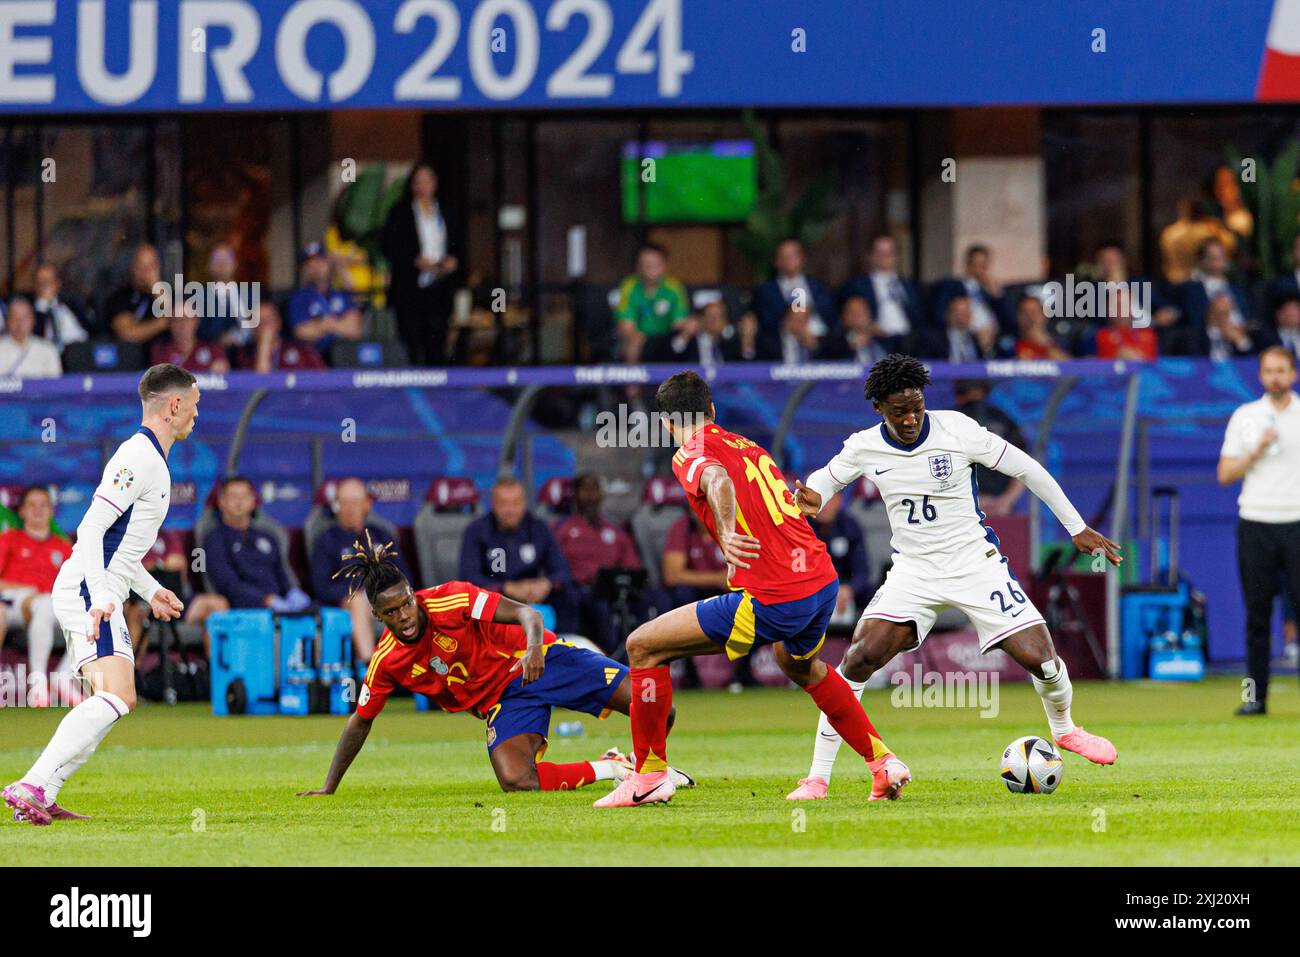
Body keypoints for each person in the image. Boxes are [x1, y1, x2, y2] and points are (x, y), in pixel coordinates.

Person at [785, 354, 1121, 800]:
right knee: (858, 659)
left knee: (1041, 658)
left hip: (975, 564)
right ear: (879, 410)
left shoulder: (958, 430)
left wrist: (1076, 526)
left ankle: (1065, 729)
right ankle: (818, 778)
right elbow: (823, 483)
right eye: (898, 412)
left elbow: (1027, 468)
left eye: (916, 408)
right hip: (914, 571)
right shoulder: (863, 446)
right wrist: (809, 497)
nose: (910, 419)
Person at [592, 371, 904, 809]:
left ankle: (648, 776)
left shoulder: (690, 451)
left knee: (642, 646)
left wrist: (724, 529)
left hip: (775, 596)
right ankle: (882, 763)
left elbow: (715, 480)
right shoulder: (749, 445)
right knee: (799, 666)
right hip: (820, 584)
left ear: (666, 423)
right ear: (712, 410)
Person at [296, 535, 693, 796]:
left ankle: (650, 772)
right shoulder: (386, 660)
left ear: (414, 595)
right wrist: (330, 787)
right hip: (501, 698)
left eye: (406, 603)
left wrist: (535, 649)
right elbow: (360, 721)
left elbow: (529, 616)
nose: (403, 615)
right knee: (517, 781)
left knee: (659, 706)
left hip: (543, 660)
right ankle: (611, 768)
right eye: (391, 611)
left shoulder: (453, 599)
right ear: (378, 616)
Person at [3, 364, 195, 826]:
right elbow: (90, 529)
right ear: (173, 405)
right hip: (91, 587)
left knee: (116, 697)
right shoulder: (138, 456)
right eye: (194, 403)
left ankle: (43, 793)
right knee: (116, 693)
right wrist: (102, 597)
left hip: (100, 583)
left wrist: (150, 591)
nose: (195, 412)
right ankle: (31, 783)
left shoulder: (153, 458)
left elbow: (120, 550)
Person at [1216, 346, 1300, 717]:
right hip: (1256, 522)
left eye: (1282, 370)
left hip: (1297, 521)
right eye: (1269, 371)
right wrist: (1255, 450)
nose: (1275, 377)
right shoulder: (1246, 417)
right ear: (1261, 376)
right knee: (1256, 616)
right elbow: (1224, 474)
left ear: (1293, 374)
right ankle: (1254, 697)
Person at [458, 477, 577, 633]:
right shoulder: (476, 531)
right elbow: (469, 577)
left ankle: (566, 645)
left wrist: (546, 583)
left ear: (524, 503)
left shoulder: (538, 528)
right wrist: (507, 588)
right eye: (504, 504)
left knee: (571, 595)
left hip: (534, 596)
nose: (510, 510)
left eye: (515, 503)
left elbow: (562, 570)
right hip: (496, 599)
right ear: (493, 504)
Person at [310, 478, 412, 660]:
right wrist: (358, 590)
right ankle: (369, 665)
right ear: (336, 505)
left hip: (385, 598)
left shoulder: (381, 534)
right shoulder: (326, 540)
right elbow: (321, 586)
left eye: (355, 502)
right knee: (358, 601)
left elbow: (404, 575)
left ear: (367, 504)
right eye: (344, 502)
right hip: (349, 601)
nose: (350, 508)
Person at [552, 474, 643, 655]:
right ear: (575, 495)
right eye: (585, 490)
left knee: (650, 599)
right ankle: (578, 657)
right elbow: (554, 567)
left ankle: (638, 658)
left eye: (594, 490)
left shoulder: (615, 532)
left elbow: (632, 568)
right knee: (586, 600)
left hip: (612, 591)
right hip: (574, 591)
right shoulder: (562, 530)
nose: (590, 496)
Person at [380, 162, 459, 366]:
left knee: (437, 345)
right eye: (418, 181)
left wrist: (451, 260)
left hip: (439, 288)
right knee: (411, 345)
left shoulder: (447, 211)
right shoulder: (400, 212)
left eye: (427, 180)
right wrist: (414, 260)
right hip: (410, 289)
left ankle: (437, 394)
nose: (423, 186)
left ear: (435, 183)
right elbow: (389, 246)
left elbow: (458, 244)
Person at [0, 487, 73, 707]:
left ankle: (63, 677)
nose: (38, 510)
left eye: (43, 505)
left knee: (91, 617)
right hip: (14, 602)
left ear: (51, 511)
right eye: (31, 505)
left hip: (52, 606)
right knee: (42, 603)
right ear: (21, 511)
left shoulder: (63, 546)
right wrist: (26, 589)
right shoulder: (10, 539)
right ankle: (38, 684)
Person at [202, 476, 310, 614]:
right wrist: (265, 600)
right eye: (233, 496)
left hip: (281, 609)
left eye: (245, 496)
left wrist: (292, 592)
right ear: (221, 502)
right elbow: (227, 584)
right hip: (243, 610)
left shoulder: (268, 536)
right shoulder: (214, 539)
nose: (239, 502)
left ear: (253, 501)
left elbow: (282, 573)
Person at [954, 379, 1029, 516]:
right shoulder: (1003, 418)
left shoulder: (946, 420)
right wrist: (1005, 501)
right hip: (983, 507)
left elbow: (1024, 464)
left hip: (965, 509)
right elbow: (1025, 465)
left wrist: (1005, 500)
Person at [752, 239, 836, 356]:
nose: (789, 260)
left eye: (793, 255)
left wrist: (815, 339)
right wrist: (793, 328)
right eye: (784, 256)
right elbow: (765, 324)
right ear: (776, 261)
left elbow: (832, 319)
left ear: (802, 259)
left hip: (820, 345)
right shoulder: (765, 291)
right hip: (783, 345)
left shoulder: (819, 287)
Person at [613, 243, 690, 364]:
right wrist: (637, 336)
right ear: (638, 266)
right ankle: (633, 382)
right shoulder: (629, 286)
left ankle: (683, 382)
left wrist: (689, 327)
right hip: (639, 338)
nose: (650, 268)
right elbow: (626, 326)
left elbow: (679, 323)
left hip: (666, 338)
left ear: (664, 266)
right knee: (634, 341)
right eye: (646, 264)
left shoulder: (674, 288)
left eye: (655, 264)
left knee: (690, 330)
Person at [841, 234, 926, 340]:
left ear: (897, 256)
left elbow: (921, 317)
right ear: (870, 255)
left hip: (910, 340)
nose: (884, 257)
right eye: (879, 253)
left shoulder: (910, 285)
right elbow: (850, 315)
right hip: (876, 337)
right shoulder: (857, 285)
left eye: (890, 253)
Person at [286, 242, 364, 357]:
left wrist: (325, 324)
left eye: (320, 261)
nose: (316, 267)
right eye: (310, 264)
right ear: (305, 269)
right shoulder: (299, 297)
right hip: (314, 359)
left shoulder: (341, 294)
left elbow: (354, 330)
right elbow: (302, 332)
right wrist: (339, 324)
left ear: (328, 263)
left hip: (346, 357)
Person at [933, 244, 1010, 339]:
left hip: (993, 337)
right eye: (975, 265)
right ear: (967, 264)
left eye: (983, 266)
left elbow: (1009, 321)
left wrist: (997, 295)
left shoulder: (990, 292)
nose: (979, 271)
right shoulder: (951, 286)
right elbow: (940, 316)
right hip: (965, 336)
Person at [105, 244, 169, 346]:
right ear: (133, 267)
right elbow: (126, 333)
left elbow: (177, 320)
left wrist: (156, 287)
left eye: (151, 266)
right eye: (141, 266)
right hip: (132, 358)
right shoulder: (120, 297)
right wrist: (163, 323)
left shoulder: (169, 295)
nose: (146, 272)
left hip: (164, 358)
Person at [237, 301, 326, 372]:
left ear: (278, 322)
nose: (265, 325)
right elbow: (257, 387)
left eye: (269, 320)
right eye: (259, 321)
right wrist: (264, 347)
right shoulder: (244, 355)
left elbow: (323, 381)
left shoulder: (302, 350)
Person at [149, 302, 231, 373]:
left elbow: (225, 381)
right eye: (177, 320)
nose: (182, 325)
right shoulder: (160, 350)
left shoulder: (213, 351)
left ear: (196, 321)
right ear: (170, 324)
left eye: (187, 319)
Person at [31, 263, 90, 349]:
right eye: (41, 281)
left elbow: (91, 331)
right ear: (35, 285)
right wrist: (43, 304)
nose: (45, 284)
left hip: (78, 354)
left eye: (49, 280)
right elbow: (35, 339)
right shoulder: (29, 312)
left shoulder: (71, 305)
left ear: (58, 283)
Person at [0, 296, 62, 378]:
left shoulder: (48, 349)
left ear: (33, 320)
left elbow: (56, 385)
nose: (19, 323)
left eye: (24, 318)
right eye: (14, 318)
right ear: (7, 321)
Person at [1014, 294, 1070, 360]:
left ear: (1044, 316)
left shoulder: (1060, 342)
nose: (1030, 318)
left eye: (1034, 312)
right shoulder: (1010, 344)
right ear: (1018, 317)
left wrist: (1045, 344)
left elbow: (1072, 366)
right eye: (1025, 313)